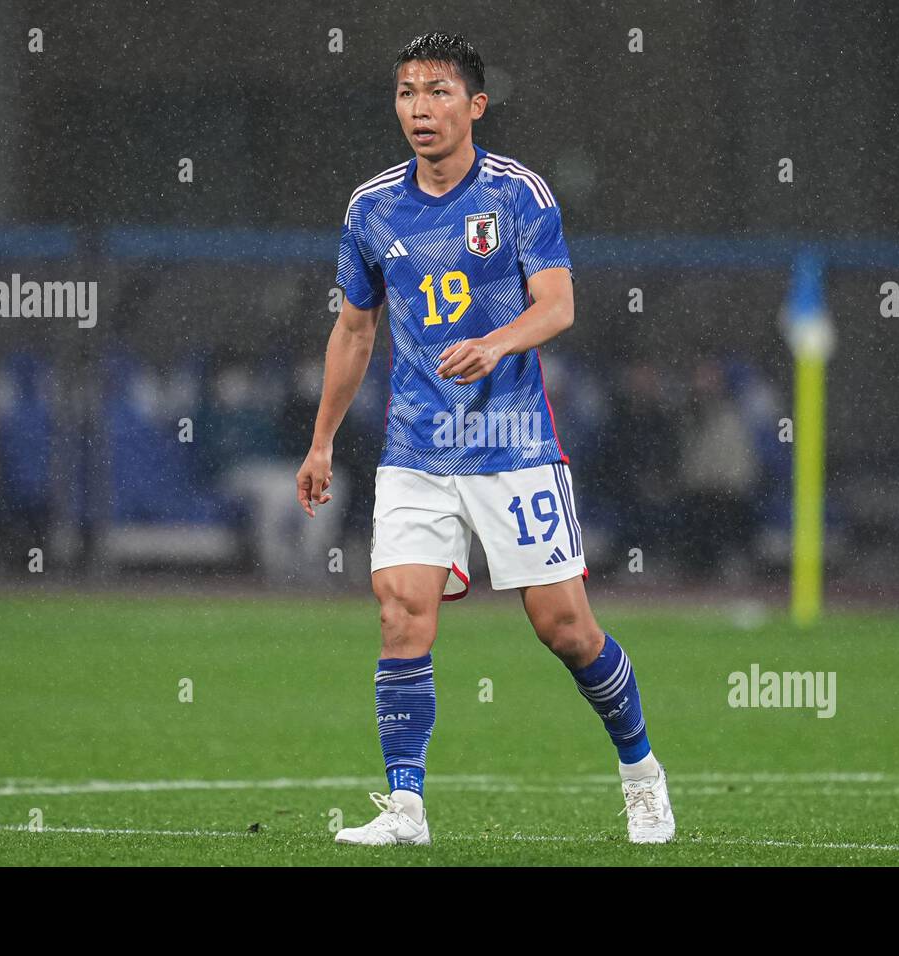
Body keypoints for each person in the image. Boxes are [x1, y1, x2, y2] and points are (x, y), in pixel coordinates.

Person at [295, 32, 673, 845]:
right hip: (415, 447)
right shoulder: (371, 208)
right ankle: (405, 808)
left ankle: (641, 774)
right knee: (401, 613)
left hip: (513, 443)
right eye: (406, 92)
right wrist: (322, 439)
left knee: (565, 628)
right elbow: (355, 329)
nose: (419, 109)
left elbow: (559, 305)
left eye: (437, 92)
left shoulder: (518, 194)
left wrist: (497, 342)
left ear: (474, 106)